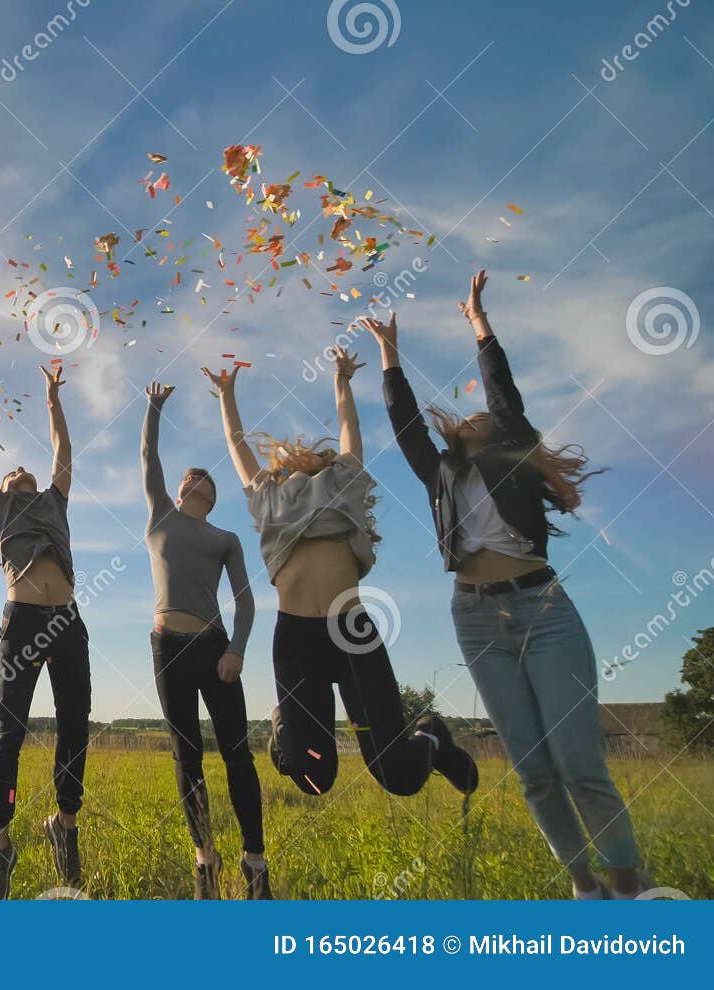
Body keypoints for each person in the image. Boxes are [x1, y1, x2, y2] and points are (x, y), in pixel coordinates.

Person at [368, 270, 648, 899]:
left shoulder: (511, 451)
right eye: (465, 420)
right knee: (533, 770)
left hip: (543, 609)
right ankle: (586, 887)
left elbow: (502, 394)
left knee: (579, 765)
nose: (470, 419)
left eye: (481, 418)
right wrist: (389, 353)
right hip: (474, 616)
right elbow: (406, 423)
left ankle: (629, 887)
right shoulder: (437, 477)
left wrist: (477, 323)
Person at [203, 351, 479, 810]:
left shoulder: (342, 483)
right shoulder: (267, 499)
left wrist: (342, 380)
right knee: (315, 776)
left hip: (350, 630)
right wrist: (227, 396)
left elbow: (350, 432)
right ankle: (285, 732)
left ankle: (431, 739)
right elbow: (237, 445)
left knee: (400, 776)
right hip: (295, 640)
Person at [0, 367, 90, 900]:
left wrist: (53, 398)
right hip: (21, 621)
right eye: (11, 470)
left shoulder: (55, 499)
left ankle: (64, 823)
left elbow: (62, 449)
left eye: (22, 467)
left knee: (75, 722)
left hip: (66, 622)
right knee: (6, 732)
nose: (17, 468)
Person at [141, 380, 268, 900]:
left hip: (215, 651)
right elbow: (149, 455)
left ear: (211, 499)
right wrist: (153, 407)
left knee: (237, 753)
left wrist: (236, 649)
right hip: (168, 648)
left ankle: (255, 861)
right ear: (177, 492)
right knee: (185, 753)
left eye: (203, 478)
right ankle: (205, 858)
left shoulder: (225, 538)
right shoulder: (159, 517)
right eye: (188, 476)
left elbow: (247, 600)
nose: (194, 477)